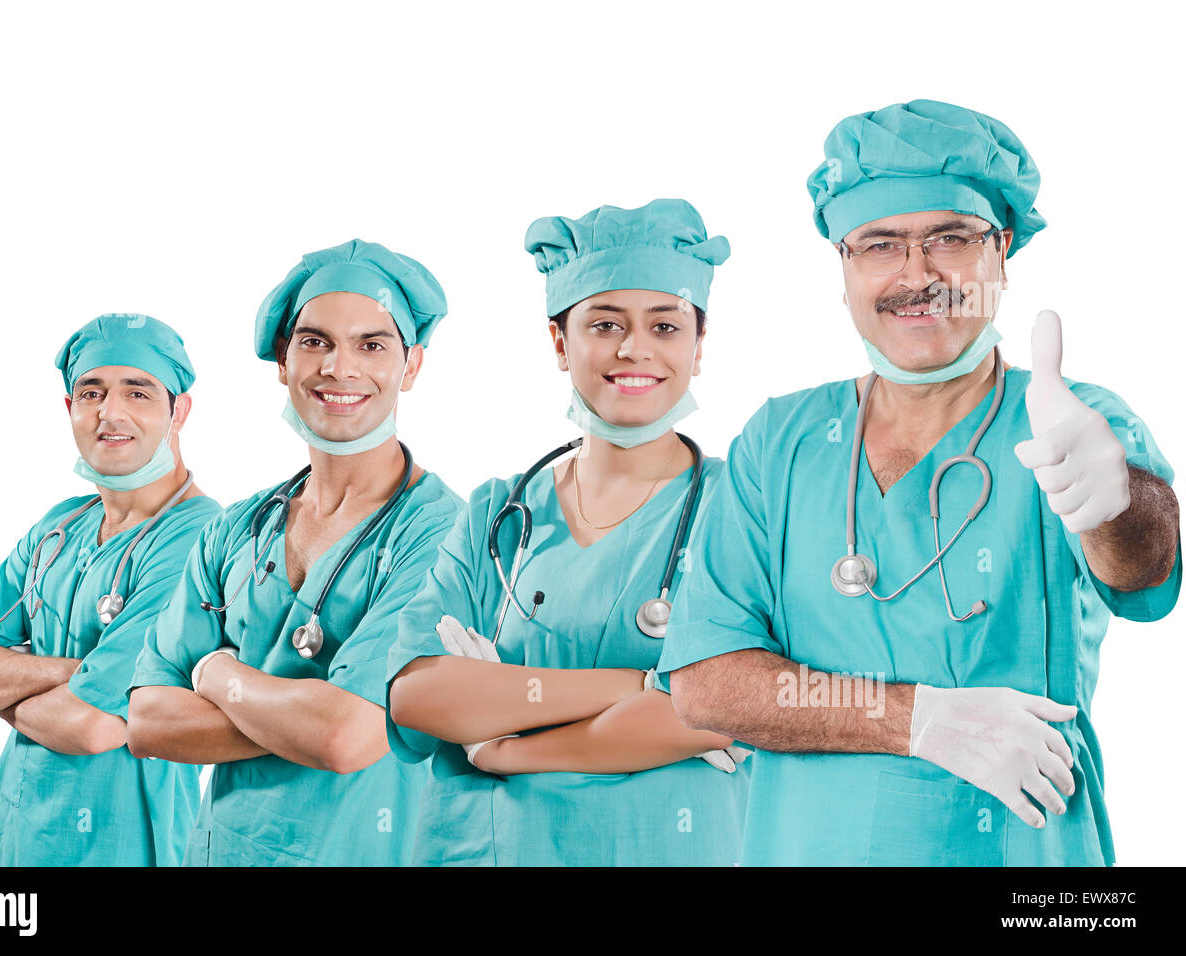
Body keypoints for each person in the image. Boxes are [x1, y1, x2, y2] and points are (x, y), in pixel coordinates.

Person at [663, 100, 1182, 866]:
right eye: (880, 244)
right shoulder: (780, 442)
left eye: (951, 238)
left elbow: (1144, 570)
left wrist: (1112, 506)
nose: (917, 275)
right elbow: (707, 686)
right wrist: (917, 719)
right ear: (843, 267)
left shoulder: (1072, 422)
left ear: (1001, 252)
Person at [387, 199, 751, 866]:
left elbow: (723, 704)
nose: (634, 348)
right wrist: (642, 687)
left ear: (698, 348)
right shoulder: (496, 515)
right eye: (605, 323)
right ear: (560, 342)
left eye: (665, 325)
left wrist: (503, 738)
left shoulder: (743, 512)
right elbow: (416, 694)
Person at [127, 239, 461, 866]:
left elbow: (345, 737)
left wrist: (216, 675)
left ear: (410, 366)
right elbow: (145, 719)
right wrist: (304, 712)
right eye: (315, 342)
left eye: (372, 344)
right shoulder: (239, 527)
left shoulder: (441, 533)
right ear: (284, 360)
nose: (340, 367)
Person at [0, 314, 221, 865]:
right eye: (92, 392)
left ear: (178, 410)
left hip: (127, 840)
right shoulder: (62, 528)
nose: (111, 413)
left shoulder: (200, 540)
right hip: (14, 831)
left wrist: (0, 684)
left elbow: (89, 727)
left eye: (138, 391)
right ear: (70, 409)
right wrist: (71, 674)